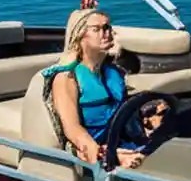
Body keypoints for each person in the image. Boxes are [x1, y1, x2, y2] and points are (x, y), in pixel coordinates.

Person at [46, 9, 144, 169]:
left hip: (125, 144)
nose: (106, 33)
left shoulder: (115, 72)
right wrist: (109, 155)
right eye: (97, 29)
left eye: (107, 28)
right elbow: (73, 130)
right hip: (93, 154)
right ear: (80, 36)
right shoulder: (67, 78)